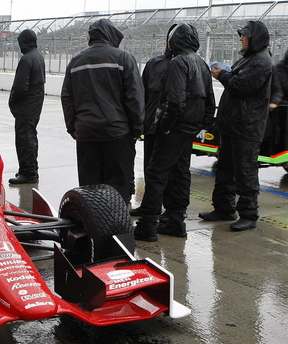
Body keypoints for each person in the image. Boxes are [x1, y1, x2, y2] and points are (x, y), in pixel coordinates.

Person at [133, 24, 215, 241]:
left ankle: (147, 225)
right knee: (180, 174)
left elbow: (175, 102)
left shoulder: (178, 63)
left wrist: (166, 126)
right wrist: (198, 126)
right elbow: (210, 103)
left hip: (175, 128)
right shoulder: (202, 64)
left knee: (156, 173)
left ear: (174, 41)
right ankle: (176, 221)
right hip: (189, 129)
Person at [200, 21, 273, 231]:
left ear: (255, 38)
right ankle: (224, 208)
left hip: (247, 128)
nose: (241, 38)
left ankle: (249, 214)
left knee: (245, 172)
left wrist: (222, 75)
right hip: (233, 126)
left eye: (245, 35)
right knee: (225, 169)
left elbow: (240, 86)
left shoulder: (261, 62)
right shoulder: (248, 59)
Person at [61, 19, 143, 204]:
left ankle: (91, 226)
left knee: (89, 188)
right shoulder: (123, 58)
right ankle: (116, 228)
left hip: (86, 133)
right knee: (118, 189)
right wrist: (137, 129)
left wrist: (73, 128)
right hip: (118, 134)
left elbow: (67, 97)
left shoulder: (76, 61)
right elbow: (135, 97)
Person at [131, 23, 177, 217]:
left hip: (172, 129)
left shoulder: (187, 64)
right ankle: (151, 205)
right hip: (152, 127)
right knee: (150, 168)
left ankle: (170, 208)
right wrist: (142, 124)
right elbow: (142, 94)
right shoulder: (154, 63)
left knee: (172, 172)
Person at [7, 29, 45, 185]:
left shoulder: (27, 59)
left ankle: (28, 173)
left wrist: (12, 102)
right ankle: (30, 170)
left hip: (26, 108)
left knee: (24, 140)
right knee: (30, 138)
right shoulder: (38, 57)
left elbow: (20, 87)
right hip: (34, 106)